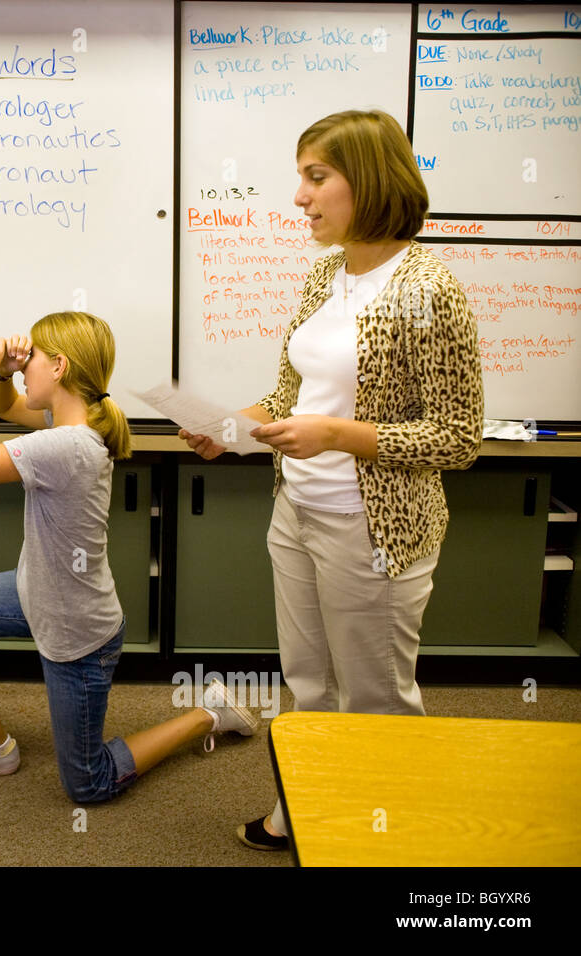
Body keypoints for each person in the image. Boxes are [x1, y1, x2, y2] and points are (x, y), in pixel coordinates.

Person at [180, 110, 484, 849]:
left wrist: (341, 437)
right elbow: (290, 396)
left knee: (375, 696)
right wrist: (230, 429)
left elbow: (458, 436)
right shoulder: (325, 272)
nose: (300, 196)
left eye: (316, 177)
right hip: (298, 512)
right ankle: (309, 806)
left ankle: (383, 835)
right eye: (302, 177)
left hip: (372, 528)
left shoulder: (428, 289)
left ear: (369, 182)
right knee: (310, 683)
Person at [0, 311, 258, 803]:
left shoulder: (66, 445)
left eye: (33, 360)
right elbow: (7, 407)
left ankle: (211, 714)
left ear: (60, 368)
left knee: (88, 785)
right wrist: (4, 374)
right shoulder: (71, 421)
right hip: (35, 590)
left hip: (77, 630)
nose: (24, 367)